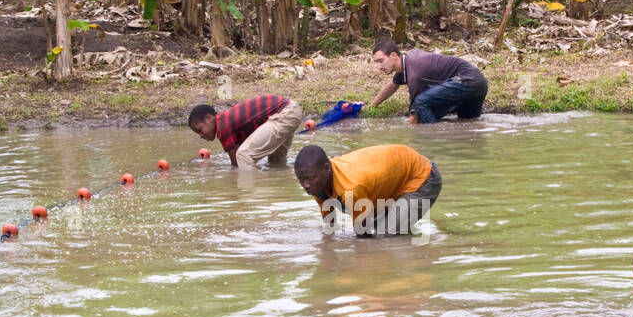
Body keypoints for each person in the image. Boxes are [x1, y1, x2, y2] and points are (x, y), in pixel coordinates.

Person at [294, 143, 441, 238]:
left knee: (385, 237)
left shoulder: (351, 188)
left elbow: (363, 236)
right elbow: (329, 225)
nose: (305, 185)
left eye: (310, 179)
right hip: (392, 180)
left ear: (326, 168)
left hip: (422, 176)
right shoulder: (318, 184)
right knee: (380, 228)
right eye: (301, 179)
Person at [369, 39, 487, 125]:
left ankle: (432, 140)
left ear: (393, 55)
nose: (379, 67)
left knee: (421, 103)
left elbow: (415, 112)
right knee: (468, 123)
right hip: (478, 83)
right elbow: (393, 85)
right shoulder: (407, 60)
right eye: (376, 63)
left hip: (467, 81)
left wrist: (410, 135)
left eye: (381, 61)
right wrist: (372, 106)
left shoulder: (415, 74)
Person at [188, 95, 303, 169]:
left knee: (243, 156)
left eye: (200, 130)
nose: (201, 136)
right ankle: (279, 188)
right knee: (276, 162)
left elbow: (236, 165)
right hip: (291, 110)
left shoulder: (223, 127)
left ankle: (253, 195)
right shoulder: (226, 121)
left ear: (209, 119)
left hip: (285, 113)